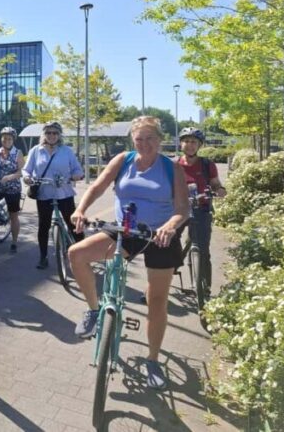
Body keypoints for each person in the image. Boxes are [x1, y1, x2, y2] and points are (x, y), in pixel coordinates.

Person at [68, 116, 190, 390]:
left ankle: (153, 360)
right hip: (125, 230)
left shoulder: (171, 168)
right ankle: (93, 310)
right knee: (77, 253)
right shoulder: (123, 160)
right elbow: (97, 187)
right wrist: (80, 209)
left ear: (160, 140)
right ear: (132, 141)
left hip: (159, 236)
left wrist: (170, 226)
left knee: (156, 300)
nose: (144, 144)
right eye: (139, 139)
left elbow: (183, 208)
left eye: (150, 139)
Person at [22, 121, 84, 269]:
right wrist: (26, 177)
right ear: (44, 134)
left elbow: (78, 170)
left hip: (64, 193)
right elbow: (26, 169)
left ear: (59, 135)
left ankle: (82, 254)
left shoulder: (66, 151)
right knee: (43, 226)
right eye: (48, 133)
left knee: (73, 224)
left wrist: (76, 176)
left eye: (55, 133)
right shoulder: (36, 151)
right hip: (44, 194)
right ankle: (43, 257)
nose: (51, 136)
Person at [176, 126, 226, 293]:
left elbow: (215, 183)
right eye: (186, 141)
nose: (190, 145)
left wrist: (220, 190)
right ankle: (158, 285)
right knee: (166, 246)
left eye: (194, 142)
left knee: (202, 249)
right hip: (177, 211)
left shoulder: (207, 164)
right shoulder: (173, 165)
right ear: (181, 144)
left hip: (201, 208)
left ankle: (204, 287)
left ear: (199, 145)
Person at [0, 127, 25, 253]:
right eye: (4, 138)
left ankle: (14, 242)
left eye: (9, 138)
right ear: (1, 139)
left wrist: (10, 177)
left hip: (13, 188)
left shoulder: (17, 153)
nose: (6, 140)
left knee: (13, 215)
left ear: (13, 140)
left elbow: (22, 172)